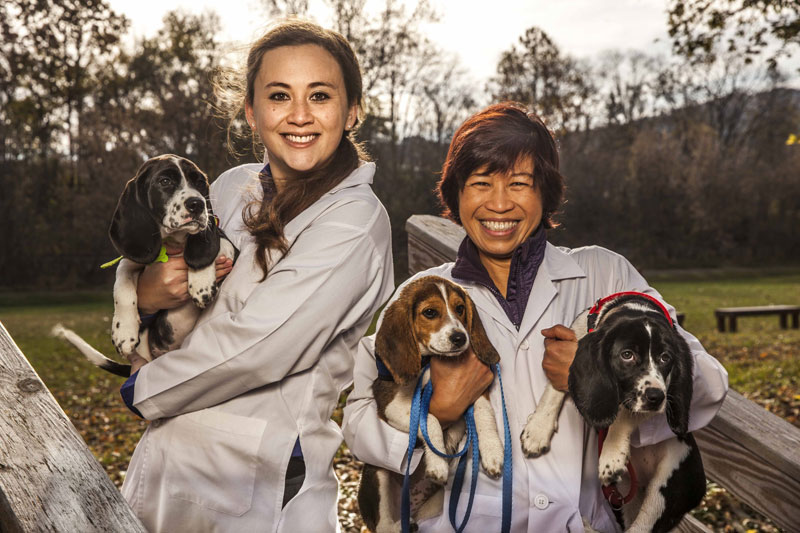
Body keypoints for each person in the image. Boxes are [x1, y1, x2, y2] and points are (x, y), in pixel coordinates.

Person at [342, 102, 728, 532]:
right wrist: (437, 412)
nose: (500, 203)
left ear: (545, 192)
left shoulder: (605, 275)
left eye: (520, 184)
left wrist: (599, 373)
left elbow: (708, 386)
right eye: (481, 183)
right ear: (456, 194)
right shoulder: (425, 296)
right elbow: (357, 420)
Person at [119, 20, 394, 532]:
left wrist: (142, 389)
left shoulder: (354, 221)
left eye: (319, 95)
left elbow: (258, 345)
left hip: (257, 479)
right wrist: (147, 295)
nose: (299, 115)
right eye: (278, 95)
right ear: (250, 110)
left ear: (352, 109)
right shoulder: (227, 187)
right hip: (170, 456)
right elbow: (171, 292)